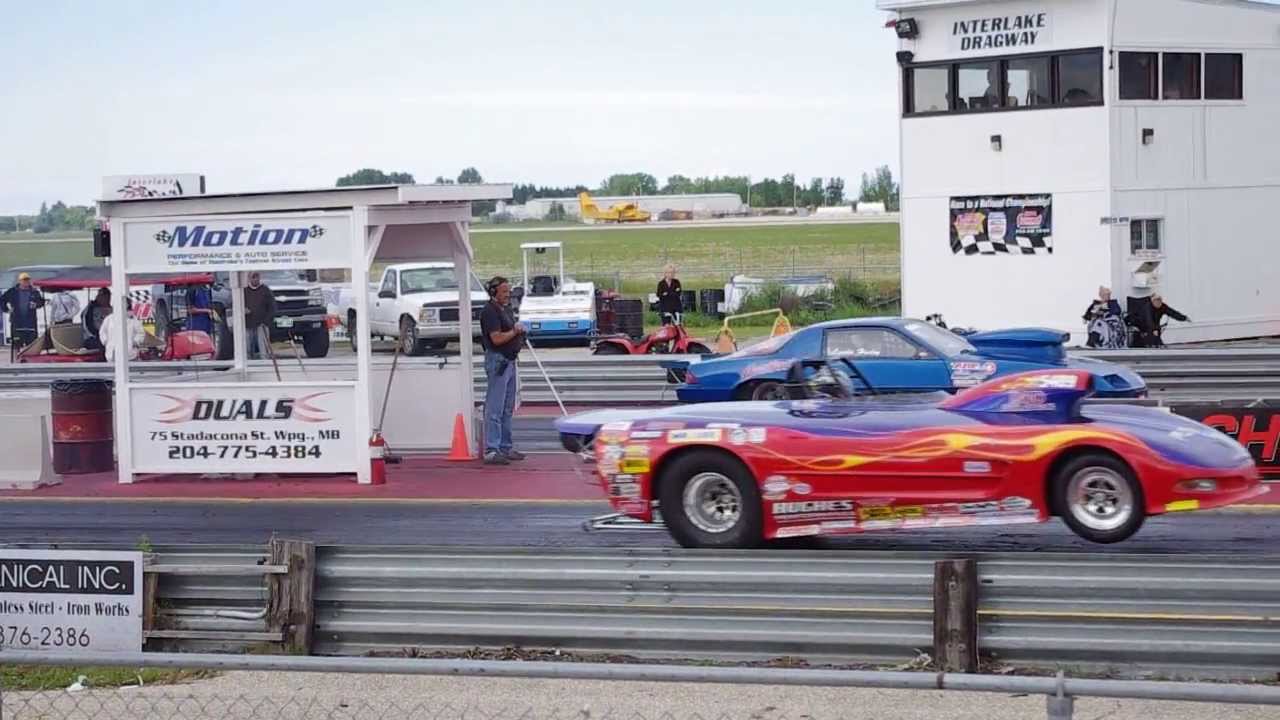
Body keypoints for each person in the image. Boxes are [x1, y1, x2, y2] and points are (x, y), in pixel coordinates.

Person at [479, 276, 526, 465]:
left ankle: (505, 446)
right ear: (493, 292)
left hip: (509, 360)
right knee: (495, 407)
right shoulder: (489, 312)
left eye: (509, 291)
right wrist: (515, 332)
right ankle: (492, 448)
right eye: (504, 291)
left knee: (507, 407)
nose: (508, 295)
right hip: (498, 360)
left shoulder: (505, 309)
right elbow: (496, 339)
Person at [0, 272, 46, 350]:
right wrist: (7, 309)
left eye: (28, 280)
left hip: (30, 323)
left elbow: (41, 302)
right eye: (24, 280)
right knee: (16, 344)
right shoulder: (12, 291)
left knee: (31, 345)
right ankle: (16, 356)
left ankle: (30, 357)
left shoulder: (34, 292)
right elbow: (2, 300)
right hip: (17, 322)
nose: (26, 282)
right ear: (20, 281)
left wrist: (36, 305)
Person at [243, 272, 276, 359]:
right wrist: (243, 310)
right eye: (253, 277)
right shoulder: (244, 290)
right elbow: (235, 305)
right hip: (247, 323)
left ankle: (264, 359)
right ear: (249, 278)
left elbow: (272, 307)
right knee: (247, 346)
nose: (255, 279)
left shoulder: (265, 290)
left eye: (257, 277)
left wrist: (266, 321)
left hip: (262, 323)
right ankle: (248, 360)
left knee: (263, 346)